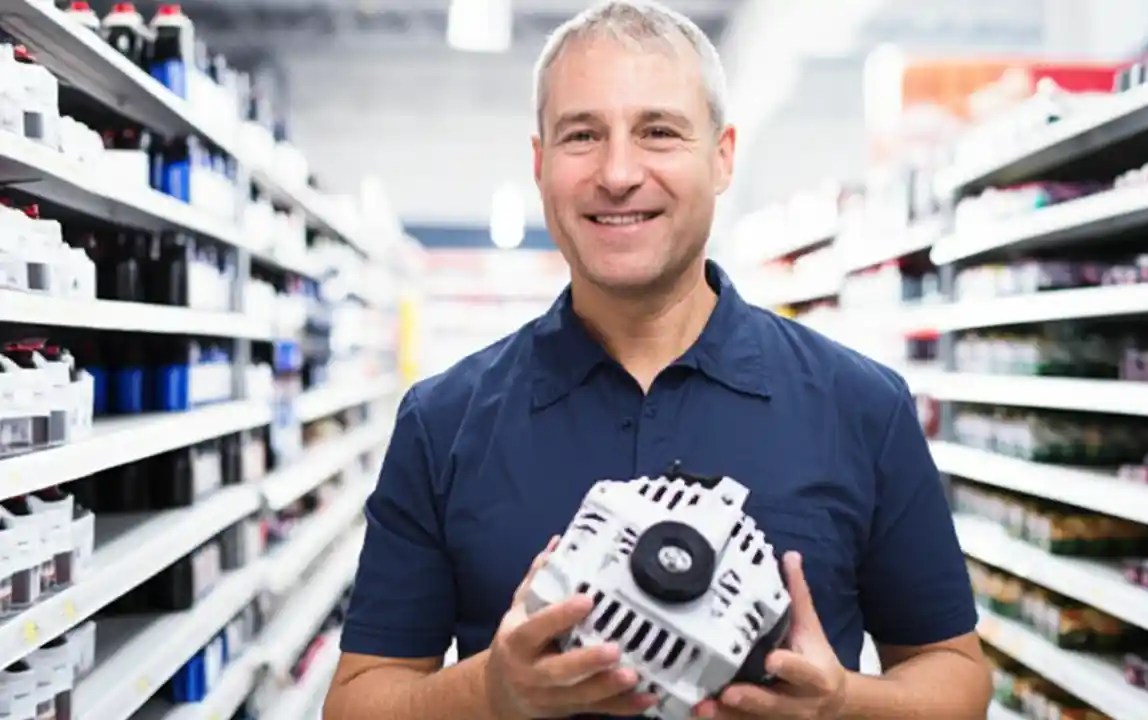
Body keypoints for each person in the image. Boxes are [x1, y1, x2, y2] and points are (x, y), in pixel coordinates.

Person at [323, 1, 992, 718]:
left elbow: (952, 672)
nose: (617, 172)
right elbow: (358, 699)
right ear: (541, 163)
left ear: (723, 156)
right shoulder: (442, 421)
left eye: (659, 132)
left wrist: (841, 706)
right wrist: (491, 691)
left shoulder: (861, 406)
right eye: (582, 134)